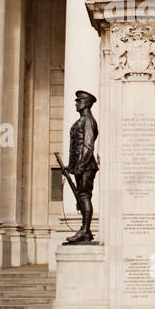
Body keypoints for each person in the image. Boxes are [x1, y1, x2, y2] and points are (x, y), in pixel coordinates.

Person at [64, 90, 99, 244]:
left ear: (86, 103)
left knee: (84, 196)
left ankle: (85, 230)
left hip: (86, 166)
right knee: (82, 196)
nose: (76, 103)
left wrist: (80, 166)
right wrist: (70, 167)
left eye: (79, 101)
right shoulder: (81, 121)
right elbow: (76, 147)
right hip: (80, 166)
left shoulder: (88, 121)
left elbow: (88, 146)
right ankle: (86, 231)